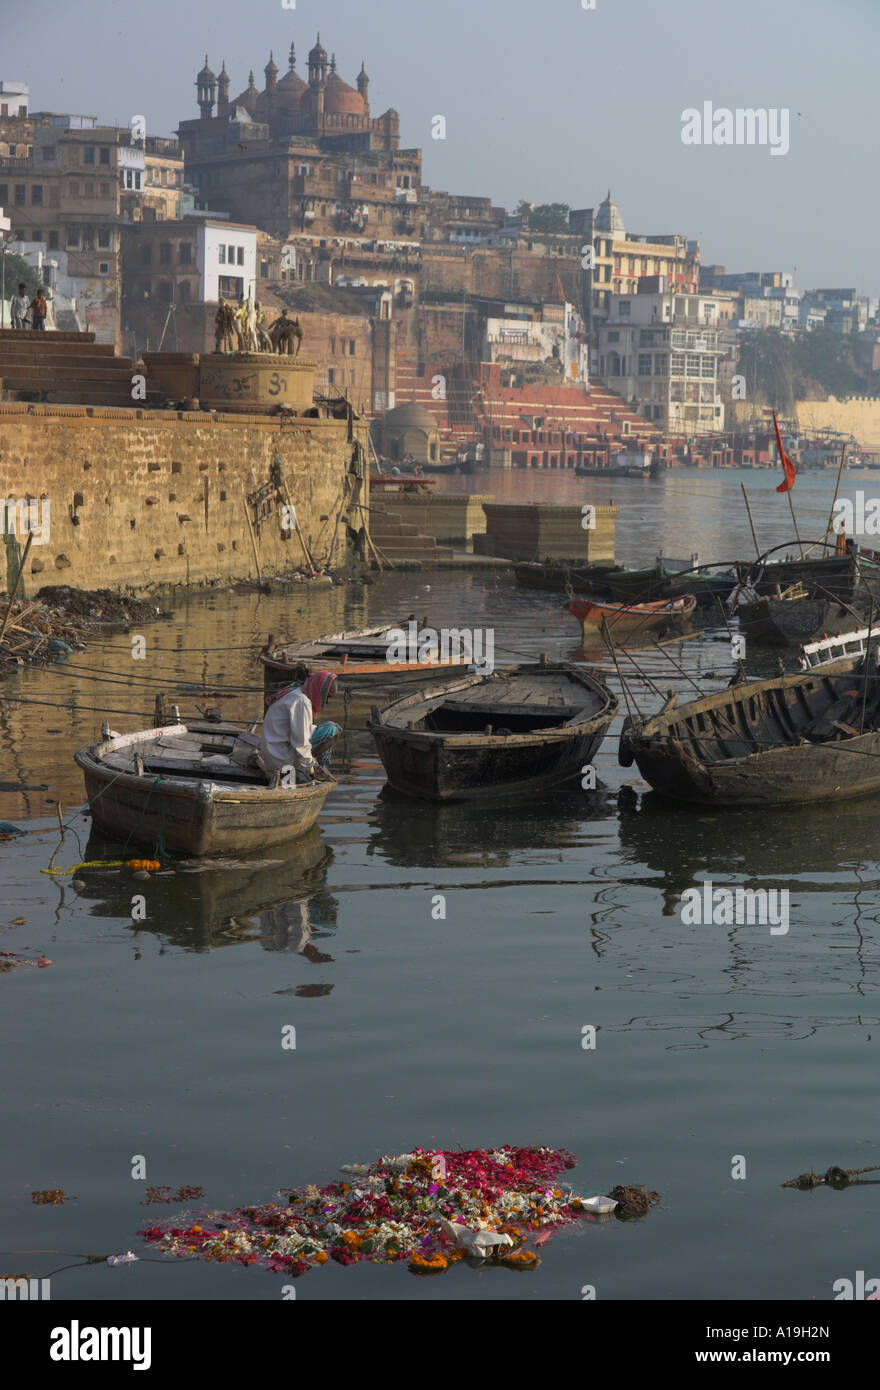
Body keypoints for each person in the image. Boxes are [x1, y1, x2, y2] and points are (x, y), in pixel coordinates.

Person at [259, 669, 341, 784]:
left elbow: (302, 730)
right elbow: (300, 743)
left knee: (329, 727)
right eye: (326, 697)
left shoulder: (297, 693)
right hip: (280, 757)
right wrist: (310, 769)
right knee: (333, 730)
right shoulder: (301, 701)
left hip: (273, 752)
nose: (325, 702)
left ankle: (314, 766)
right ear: (319, 691)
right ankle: (313, 768)